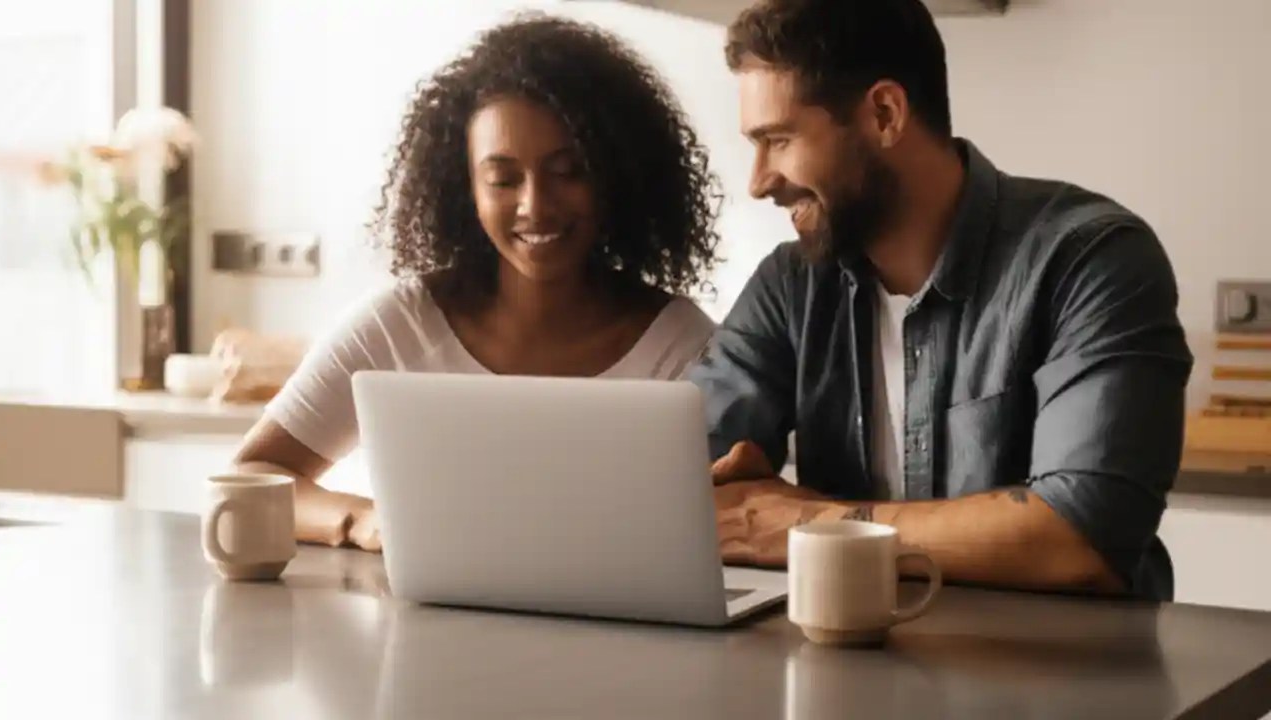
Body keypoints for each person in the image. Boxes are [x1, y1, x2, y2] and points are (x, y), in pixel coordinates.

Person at [692, 0, 1192, 600]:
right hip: (853, 669)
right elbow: (679, 486)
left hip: (1067, 678)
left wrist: (803, 525)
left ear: (884, 114)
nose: (759, 180)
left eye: (779, 139)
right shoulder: (790, 284)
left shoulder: (1090, 258)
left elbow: (1079, 535)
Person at [232, 15, 721, 552]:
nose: (535, 205)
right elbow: (250, 474)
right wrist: (360, 521)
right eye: (503, 179)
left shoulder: (682, 346)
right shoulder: (401, 325)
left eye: (568, 171)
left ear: (617, 174)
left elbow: (725, 523)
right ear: (465, 189)